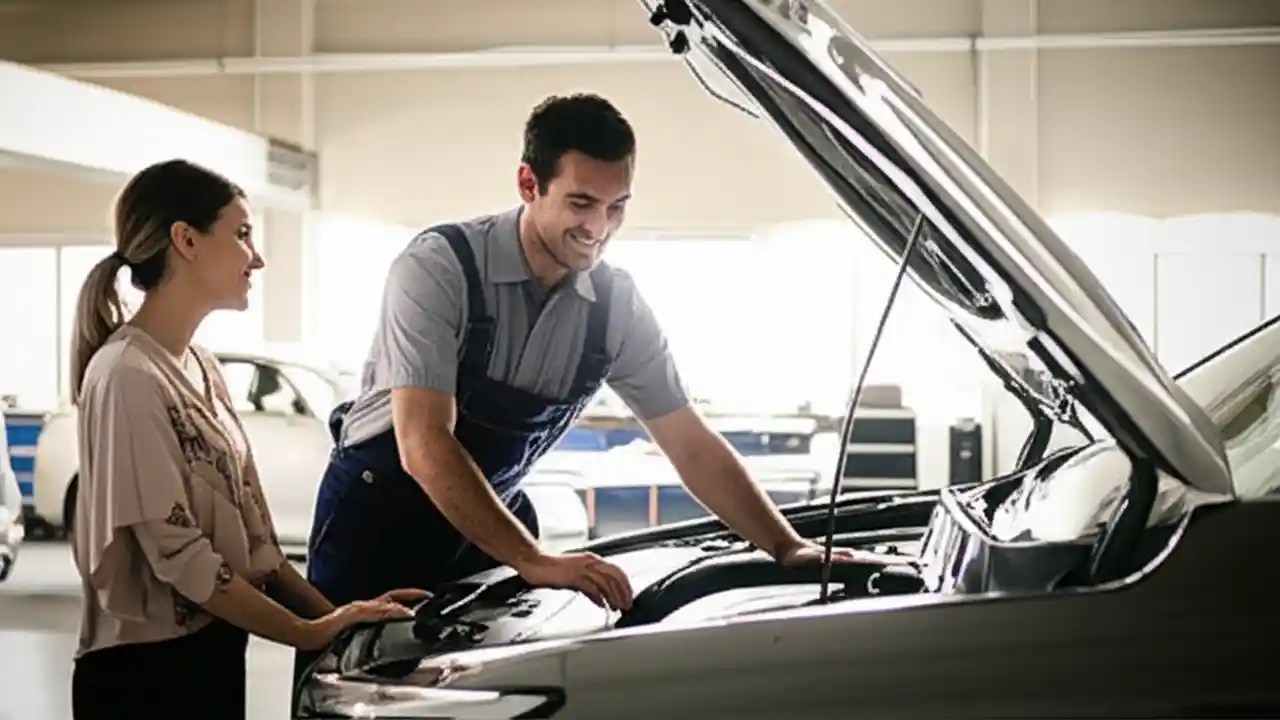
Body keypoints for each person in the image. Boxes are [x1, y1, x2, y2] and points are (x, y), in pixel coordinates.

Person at [305, 93, 865, 615]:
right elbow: (423, 441)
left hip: (486, 531)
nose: (599, 228)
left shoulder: (616, 307)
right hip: (374, 529)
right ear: (529, 183)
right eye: (581, 203)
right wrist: (533, 561)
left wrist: (786, 547)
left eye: (616, 206)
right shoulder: (438, 267)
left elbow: (689, 444)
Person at [66, 159, 427, 720]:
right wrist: (307, 632)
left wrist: (343, 615)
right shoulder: (126, 375)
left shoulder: (201, 368)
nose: (255, 257)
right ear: (185, 240)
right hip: (144, 677)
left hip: (210, 656)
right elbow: (181, 557)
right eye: (241, 234)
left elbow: (257, 545)